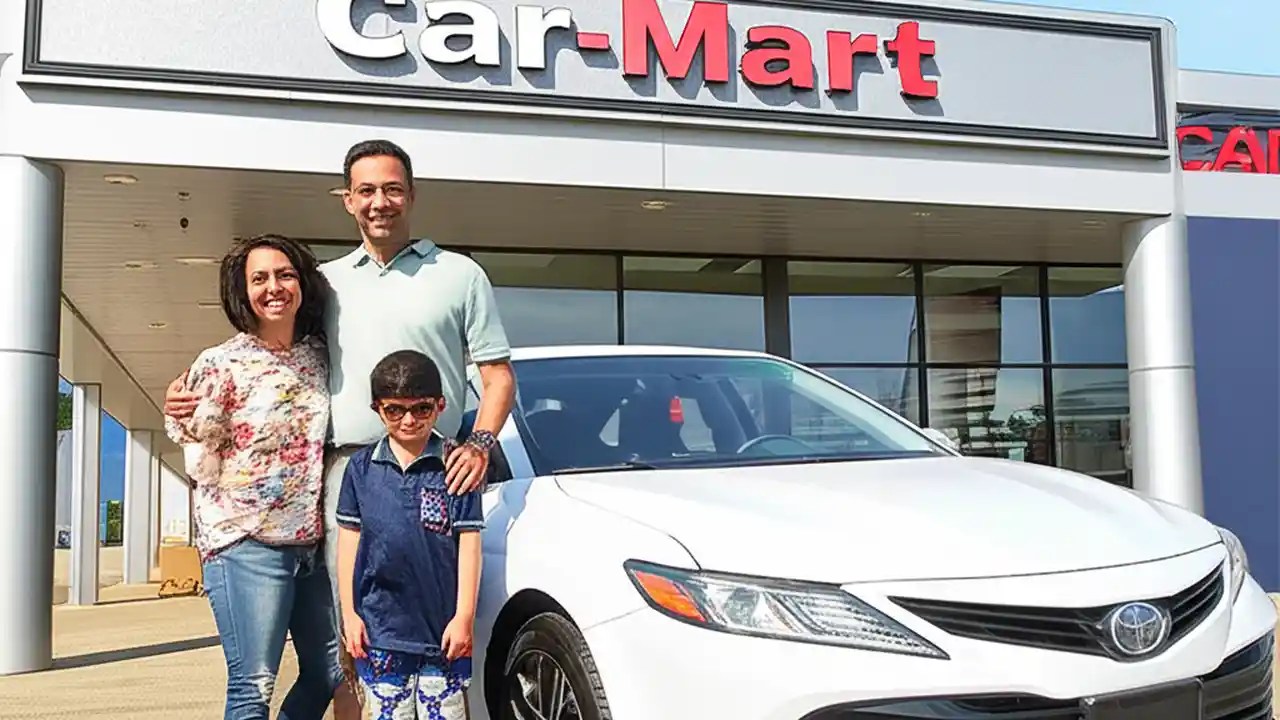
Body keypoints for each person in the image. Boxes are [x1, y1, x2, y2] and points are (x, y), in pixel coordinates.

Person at [165, 138, 516, 717]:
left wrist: (480, 441)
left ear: (412, 194)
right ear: (347, 200)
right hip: (340, 477)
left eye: (392, 189)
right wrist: (188, 394)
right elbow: (267, 349)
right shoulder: (324, 283)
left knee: (438, 623)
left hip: (435, 470)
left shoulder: (460, 275)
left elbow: (497, 375)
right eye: (367, 190)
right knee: (348, 646)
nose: (380, 202)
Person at [162, 234, 345, 720]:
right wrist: (177, 410)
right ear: (243, 292)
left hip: (309, 543)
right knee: (253, 684)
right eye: (259, 278)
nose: (274, 287)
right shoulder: (221, 362)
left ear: (302, 283)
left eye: (285, 275)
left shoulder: (320, 357)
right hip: (244, 542)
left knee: (329, 671)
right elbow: (191, 434)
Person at [335, 349, 484, 719]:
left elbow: (469, 544)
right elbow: (348, 541)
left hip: (442, 632)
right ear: (377, 409)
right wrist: (350, 614)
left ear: (440, 406)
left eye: (421, 408)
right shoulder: (360, 469)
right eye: (395, 410)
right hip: (380, 629)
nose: (409, 420)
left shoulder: (456, 466)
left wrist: (464, 617)